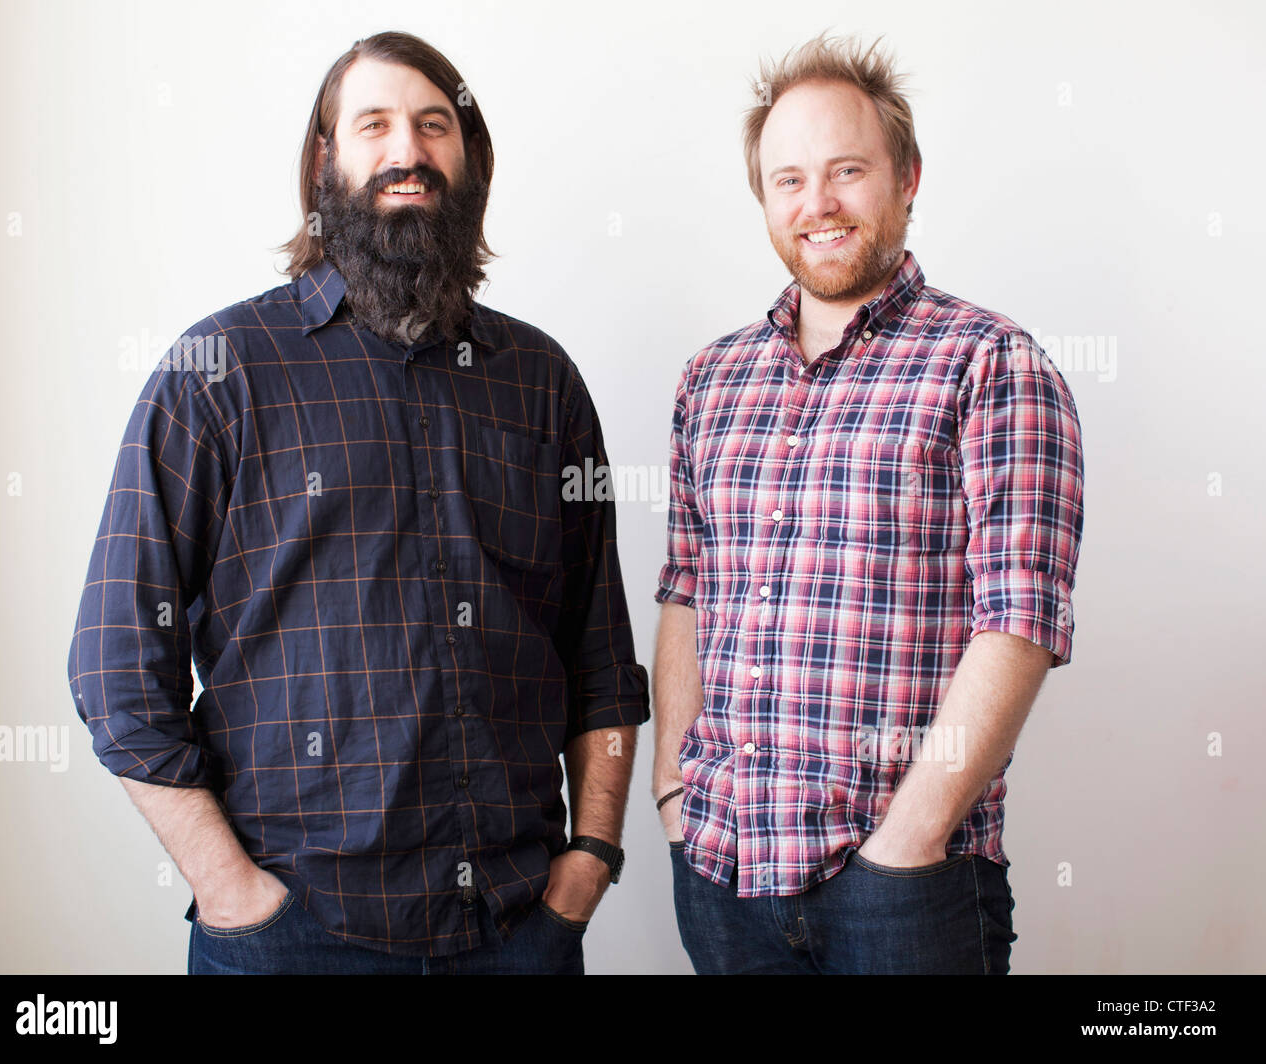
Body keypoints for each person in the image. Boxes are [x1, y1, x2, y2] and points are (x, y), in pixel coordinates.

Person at [68, 31, 649, 975]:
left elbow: (601, 660)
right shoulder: (218, 375)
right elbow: (114, 666)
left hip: (517, 933)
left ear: (472, 161)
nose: (407, 151)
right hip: (292, 937)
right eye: (373, 124)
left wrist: (590, 859)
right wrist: (230, 889)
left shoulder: (542, 383)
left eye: (434, 125)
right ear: (323, 161)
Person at [651, 32, 1085, 975]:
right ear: (764, 198)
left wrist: (906, 844)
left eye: (847, 170)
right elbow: (685, 590)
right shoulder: (710, 382)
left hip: (903, 893)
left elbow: (1021, 620)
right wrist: (671, 796)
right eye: (789, 180)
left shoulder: (993, 364)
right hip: (724, 874)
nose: (819, 205)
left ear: (907, 177)